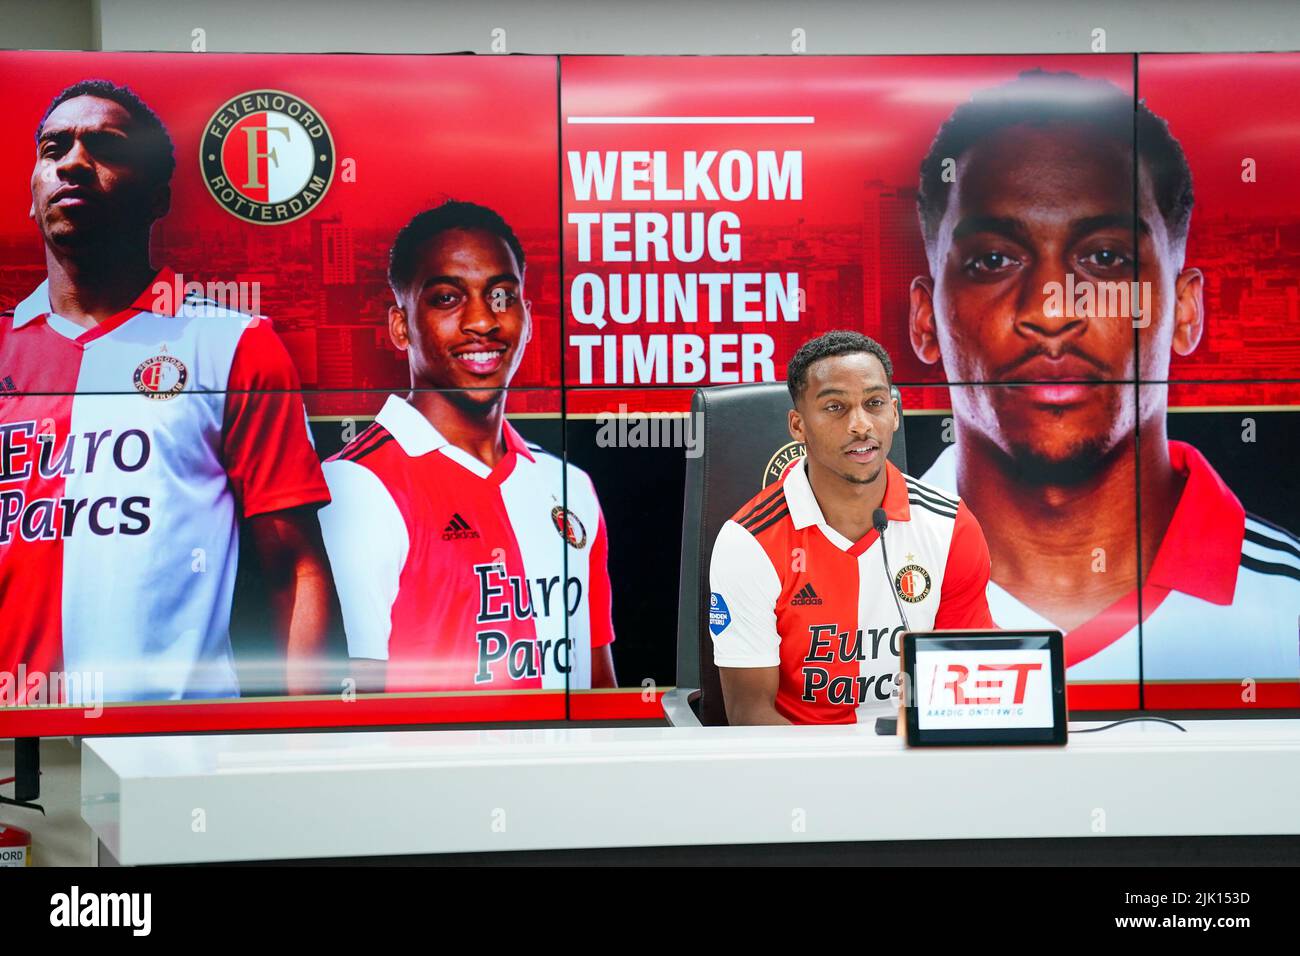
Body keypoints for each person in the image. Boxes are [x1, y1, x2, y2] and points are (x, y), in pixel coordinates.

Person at [910, 69, 1300, 708]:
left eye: (1107, 258)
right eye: (993, 261)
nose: (1051, 309)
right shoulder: (861, 572)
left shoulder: (1290, 605)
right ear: (926, 321)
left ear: (1185, 308)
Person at [0, 80, 336, 703]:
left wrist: (304, 744)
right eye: (54, 148)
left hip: (177, 750)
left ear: (158, 197)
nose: (72, 161)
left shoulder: (233, 344)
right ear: (32, 190)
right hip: (16, 751)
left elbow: (297, 567)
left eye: (104, 146)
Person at [318, 201, 617, 693]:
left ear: (527, 317)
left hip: (566, 770)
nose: (483, 320)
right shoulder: (356, 487)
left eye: (501, 295)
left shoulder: (569, 485)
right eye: (446, 298)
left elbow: (599, 681)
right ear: (400, 326)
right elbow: (356, 706)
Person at [708, 331, 993, 725]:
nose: (860, 425)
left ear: (893, 413)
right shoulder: (748, 542)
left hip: (917, 763)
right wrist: (840, 781)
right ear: (798, 425)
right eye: (835, 407)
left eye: (874, 403)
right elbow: (749, 713)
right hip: (801, 770)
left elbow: (970, 684)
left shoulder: (950, 526)